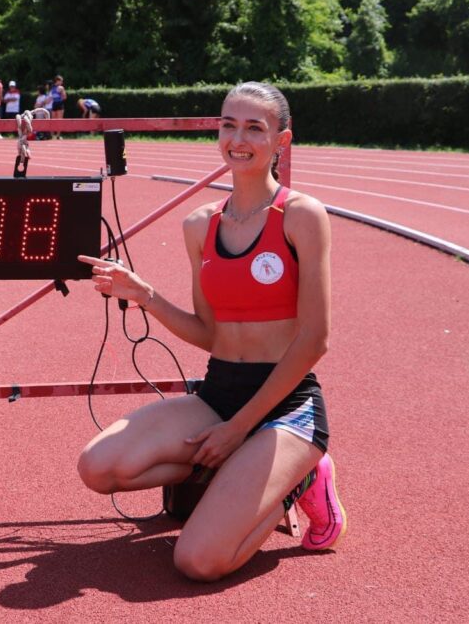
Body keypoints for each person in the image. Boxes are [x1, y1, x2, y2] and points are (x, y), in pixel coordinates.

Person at [77, 82, 346, 582]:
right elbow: (210, 334)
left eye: (254, 127)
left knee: (198, 561)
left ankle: (303, 474)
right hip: (219, 393)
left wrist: (239, 429)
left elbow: (315, 339)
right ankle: (240, 477)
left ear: (280, 142)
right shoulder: (199, 225)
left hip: (285, 407)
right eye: (228, 124)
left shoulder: (302, 215)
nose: (237, 138)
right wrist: (144, 295)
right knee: (99, 467)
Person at [49, 75, 66, 139]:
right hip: (56, 104)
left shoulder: (58, 88)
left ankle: (57, 135)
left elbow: (64, 97)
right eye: (61, 81)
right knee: (55, 120)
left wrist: (61, 93)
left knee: (58, 120)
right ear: (57, 81)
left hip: (58, 104)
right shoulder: (55, 87)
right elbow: (64, 97)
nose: (62, 83)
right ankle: (53, 135)